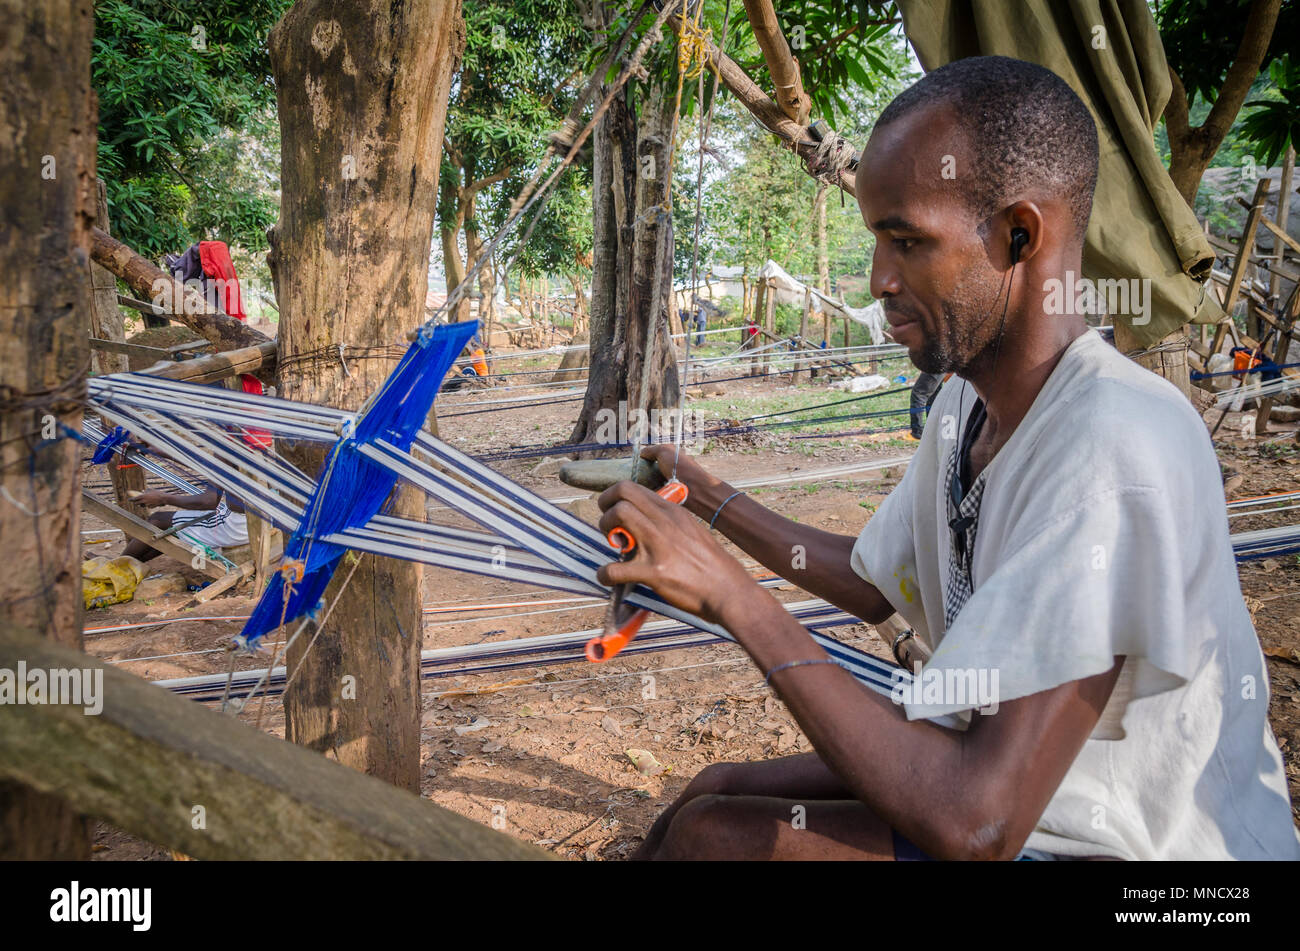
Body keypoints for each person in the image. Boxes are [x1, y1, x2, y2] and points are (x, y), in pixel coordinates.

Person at [595, 56, 1299, 860]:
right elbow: (874, 577)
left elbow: (979, 824)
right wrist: (707, 498)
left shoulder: (1114, 445)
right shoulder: (969, 405)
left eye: (906, 241)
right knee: (711, 790)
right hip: (1029, 798)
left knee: (718, 842)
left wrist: (730, 594)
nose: (877, 281)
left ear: (1019, 236)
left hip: (1144, 861)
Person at [123, 482, 249, 563]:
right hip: (259, 516)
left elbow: (207, 502)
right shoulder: (254, 443)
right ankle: (132, 564)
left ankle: (115, 567)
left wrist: (163, 498)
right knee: (172, 531)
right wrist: (156, 450)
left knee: (158, 520)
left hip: (238, 525)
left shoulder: (226, 452)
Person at [907, 371, 944, 440]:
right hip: (939, 365)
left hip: (935, 364)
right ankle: (932, 430)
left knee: (919, 393)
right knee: (933, 395)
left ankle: (917, 433)